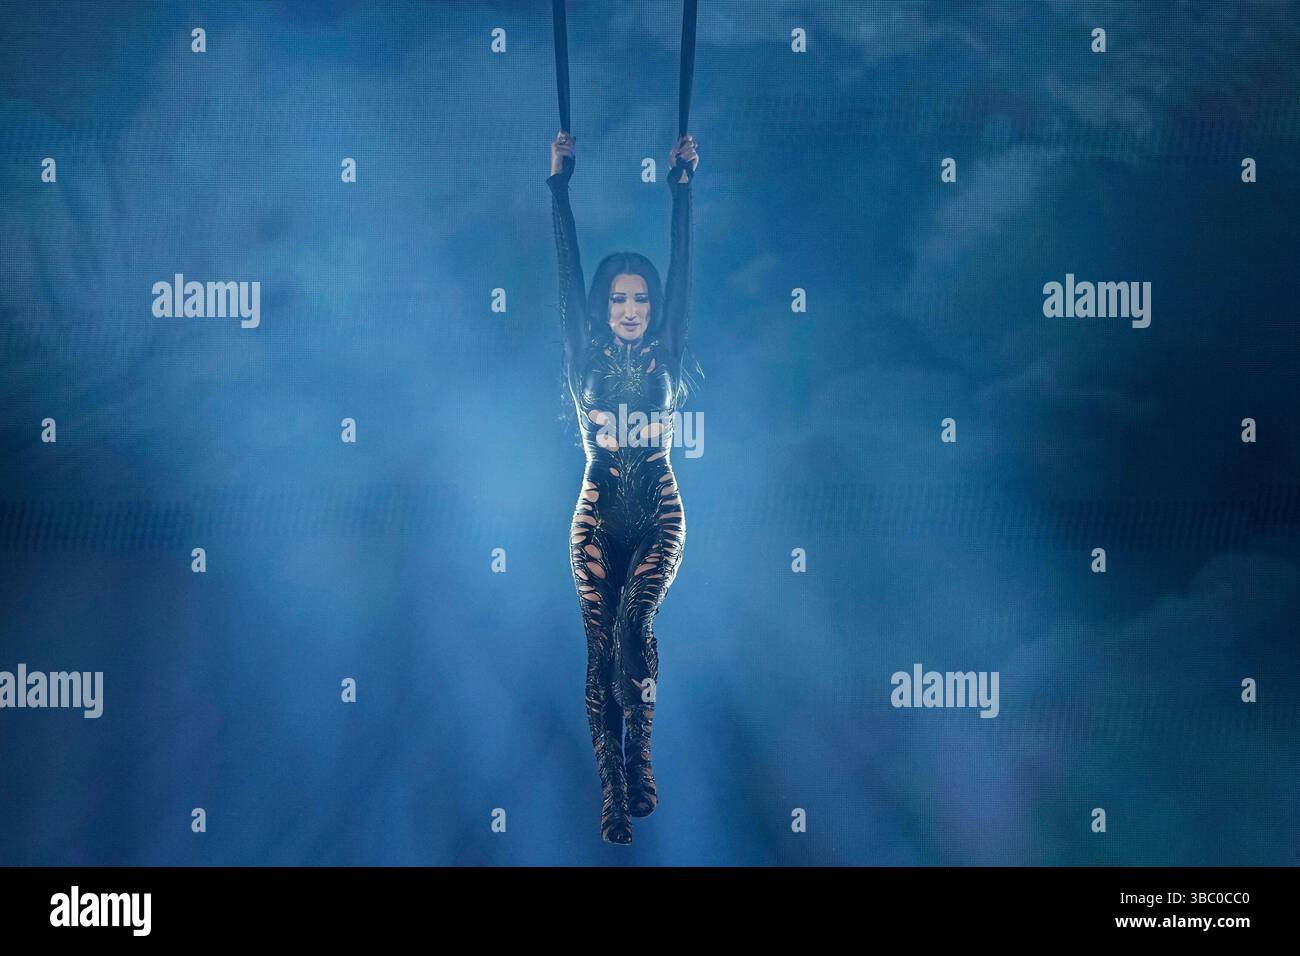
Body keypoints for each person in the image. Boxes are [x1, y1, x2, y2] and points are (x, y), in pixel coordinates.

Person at [547, 129, 699, 843]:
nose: (631, 307)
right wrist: (559, 186)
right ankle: (610, 788)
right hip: (598, 514)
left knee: (637, 622)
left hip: (659, 511)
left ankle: (639, 756)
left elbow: (686, 267)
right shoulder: (582, 351)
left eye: (641, 297)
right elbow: (565, 271)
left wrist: (683, 189)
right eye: (618, 298)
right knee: (600, 649)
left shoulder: (668, 347)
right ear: (603, 306)